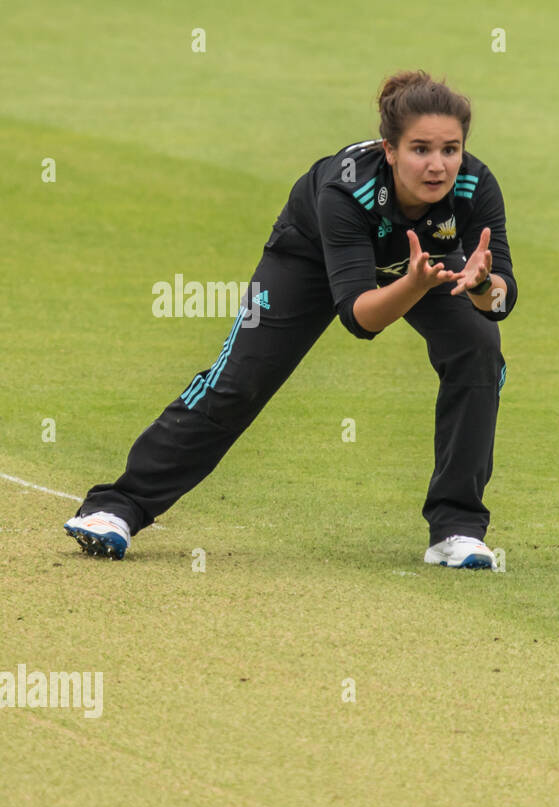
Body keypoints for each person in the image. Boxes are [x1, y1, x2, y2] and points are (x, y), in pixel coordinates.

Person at [63, 70, 517, 569]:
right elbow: (361, 319)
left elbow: (501, 301)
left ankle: (456, 530)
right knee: (239, 383)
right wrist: (411, 285)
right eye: (421, 149)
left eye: (450, 150)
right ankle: (117, 507)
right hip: (310, 260)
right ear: (390, 150)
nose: (438, 165)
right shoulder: (347, 188)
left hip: (424, 265)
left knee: (479, 347)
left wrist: (478, 285)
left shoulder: (476, 185)